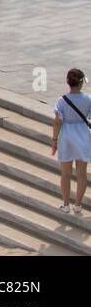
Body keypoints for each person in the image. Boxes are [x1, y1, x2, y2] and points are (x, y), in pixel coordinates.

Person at [51, 68, 91, 214]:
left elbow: (57, 122)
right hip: (83, 135)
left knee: (66, 174)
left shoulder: (62, 100)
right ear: (81, 83)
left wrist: (54, 140)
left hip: (66, 136)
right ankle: (78, 204)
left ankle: (66, 204)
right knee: (82, 173)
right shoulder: (88, 99)